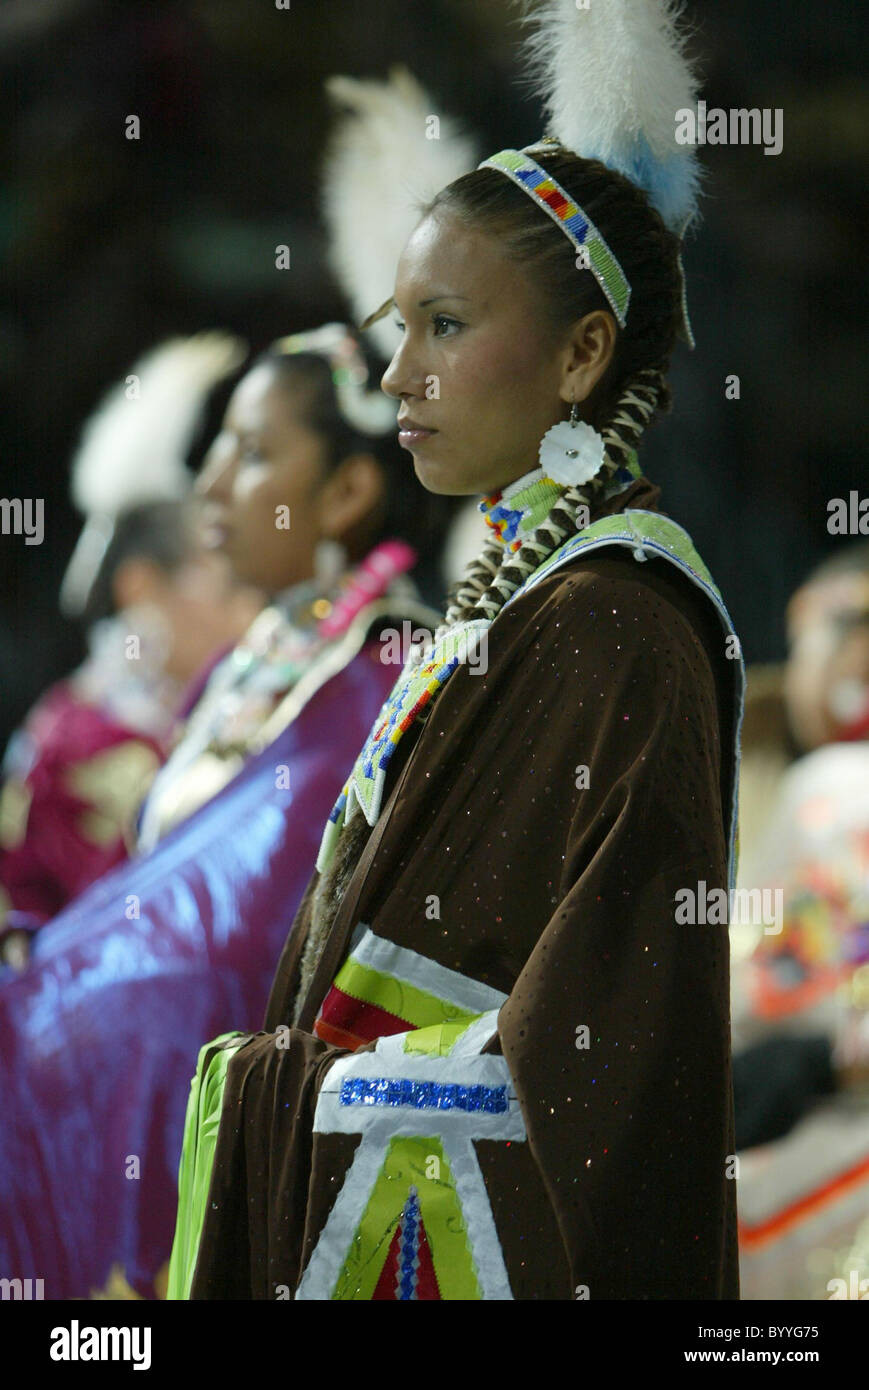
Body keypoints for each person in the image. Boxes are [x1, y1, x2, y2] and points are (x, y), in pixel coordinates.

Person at [169, 2, 744, 1300]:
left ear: (581, 353)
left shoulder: (613, 629)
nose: (396, 381)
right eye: (397, 327)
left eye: (443, 327)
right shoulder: (523, 609)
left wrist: (272, 1094)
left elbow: (599, 1079)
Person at [0, 325, 449, 1300]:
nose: (206, 485)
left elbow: (234, 940)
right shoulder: (261, 661)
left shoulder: (381, 677)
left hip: (232, 1116)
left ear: (343, 493)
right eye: (213, 452)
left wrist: (44, 1010)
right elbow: (148, 887)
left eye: (247, 454)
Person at [0, 335, 258, 965]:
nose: (250, 612)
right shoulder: (82, 742)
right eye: (228, 584)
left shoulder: (194, 712)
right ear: (142, 586)